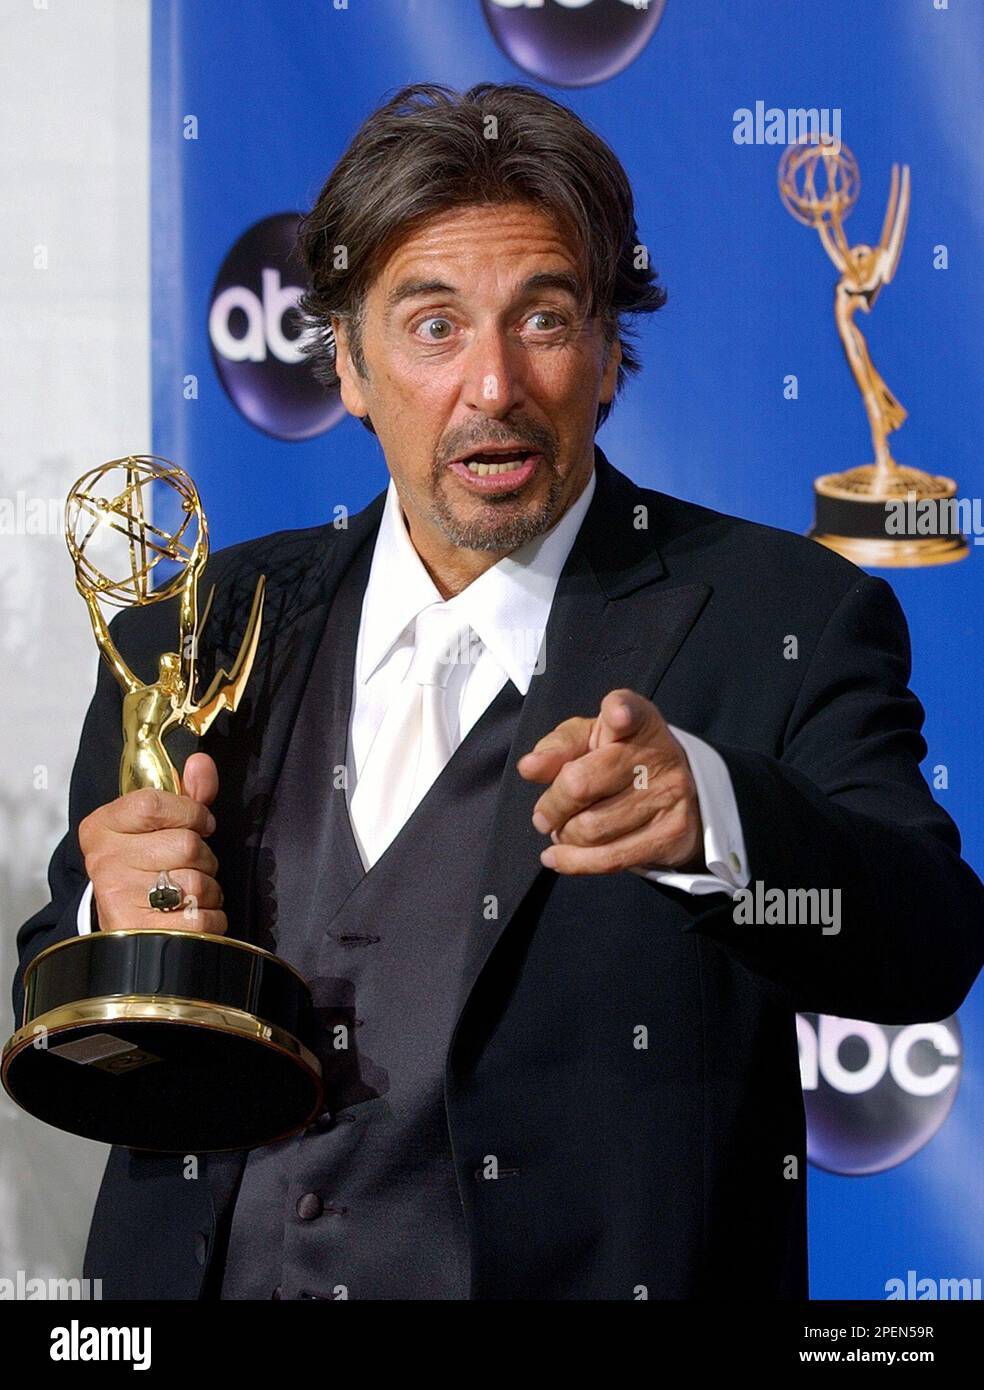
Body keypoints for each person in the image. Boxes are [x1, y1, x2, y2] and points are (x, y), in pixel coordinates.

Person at [13, 82, 984, 1301]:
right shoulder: (194, 624)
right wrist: (123, 926)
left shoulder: (778, 617)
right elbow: (60, 986)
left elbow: (926, 941)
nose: (491, 385)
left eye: (543, 318)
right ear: (349, 366)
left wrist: (720, 823)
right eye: (432, 326)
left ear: (610, 353)